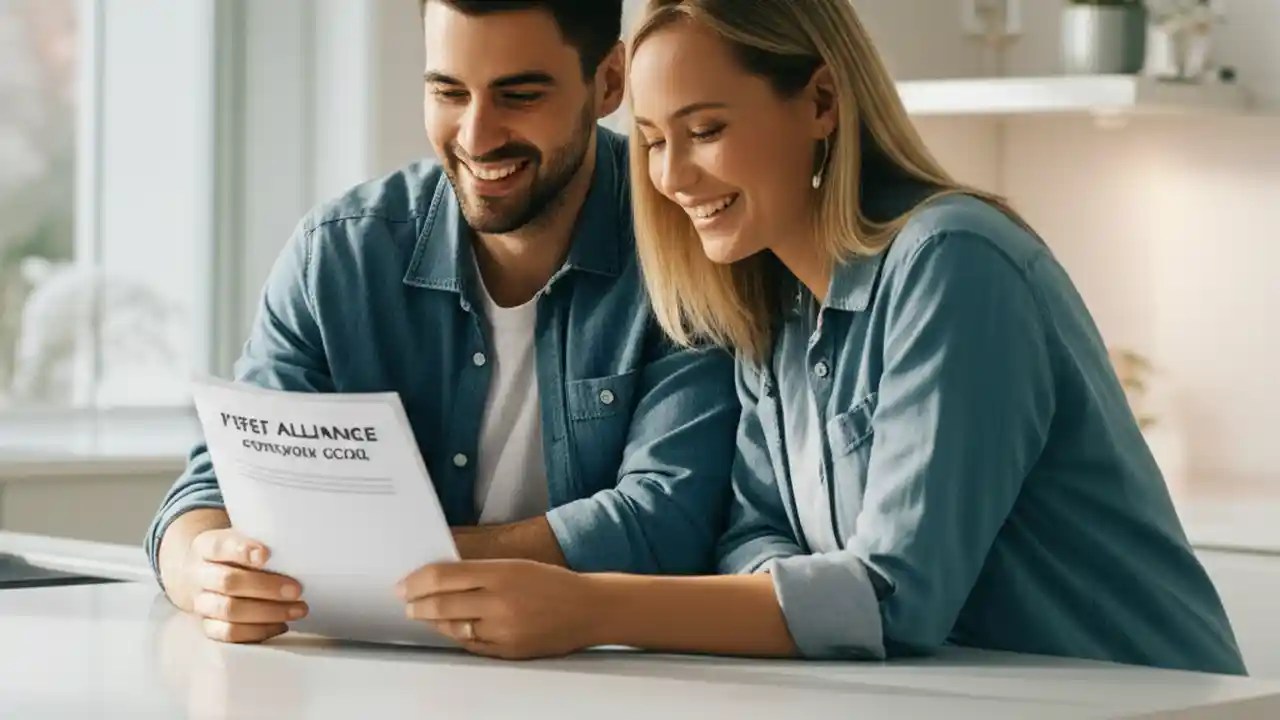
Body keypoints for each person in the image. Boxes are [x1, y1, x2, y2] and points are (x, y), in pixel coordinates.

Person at [397, 0, 1247, 676]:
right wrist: (797, 587)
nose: (672, 178)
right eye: (654, 142)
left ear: (821, 101)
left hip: (1150, 699)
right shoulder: (772, 308)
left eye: (705, 131)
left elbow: (892, 598)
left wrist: (590, 607)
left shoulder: (952, 264)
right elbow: (747, 536)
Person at [144, 0, 738, 645]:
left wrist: (375, 569)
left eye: (520, 95)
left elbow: (669, 521)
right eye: (449, 92)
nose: (478, 137)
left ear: (609, 83)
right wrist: (201, 570)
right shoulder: (340, 254)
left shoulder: (688, 241)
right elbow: (218, 484)